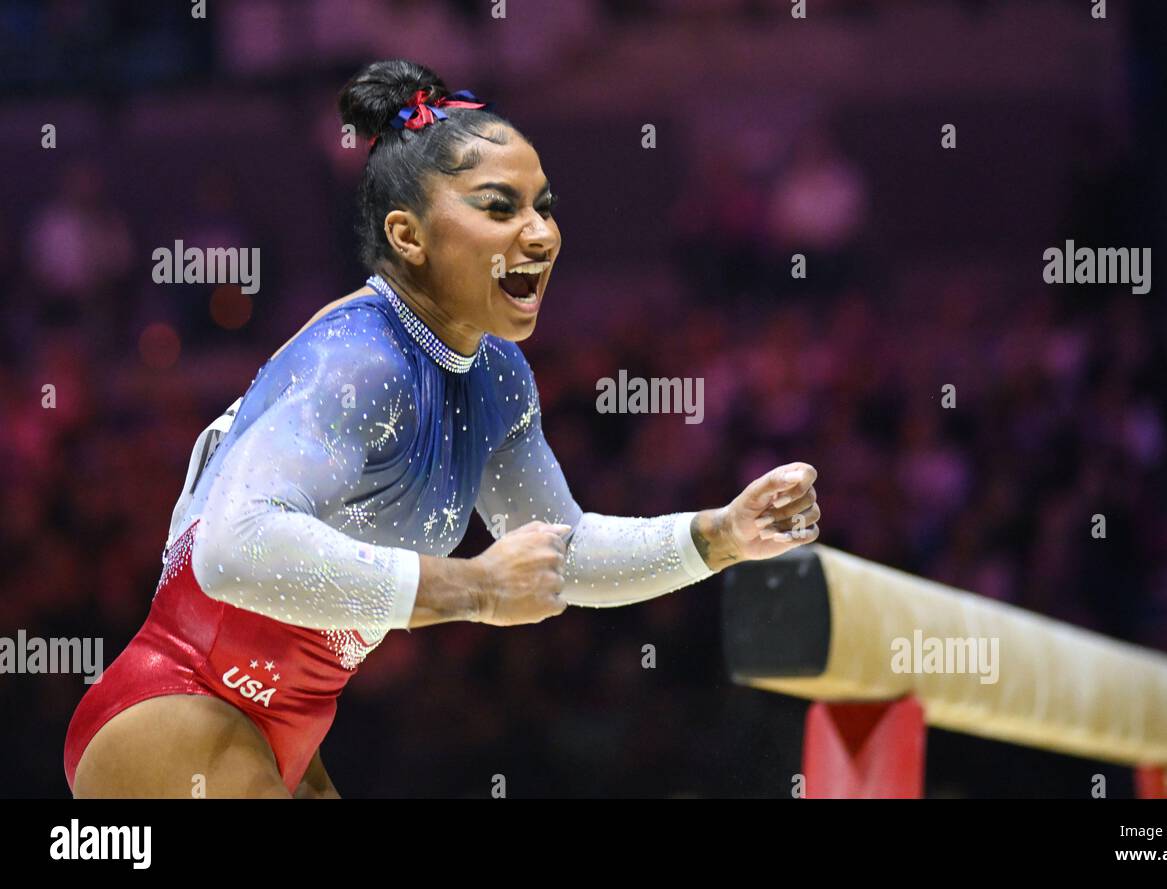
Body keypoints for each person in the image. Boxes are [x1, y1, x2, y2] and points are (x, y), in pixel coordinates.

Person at [63, 59, 820, 798]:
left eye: (544, 205)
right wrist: (474, 587)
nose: (541, 234)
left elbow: (562, 554)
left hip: (284, 725)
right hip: (180, 704)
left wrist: (717, 537)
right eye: (500, 207)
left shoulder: (492, 376)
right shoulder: (357, 358)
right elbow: (232, 550)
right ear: (408, 235)